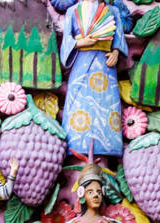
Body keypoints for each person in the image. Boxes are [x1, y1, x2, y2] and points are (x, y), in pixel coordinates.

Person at [58, 0, 131, 157]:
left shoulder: (112, 11)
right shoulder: (73, 11)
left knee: (106, 102)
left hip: (105, 65)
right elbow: (66, 40)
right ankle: (75, 144)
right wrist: (79, 43)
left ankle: (108, 145)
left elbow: (118, 36)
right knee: (79, 102)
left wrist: (116, 52)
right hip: (81, 63)